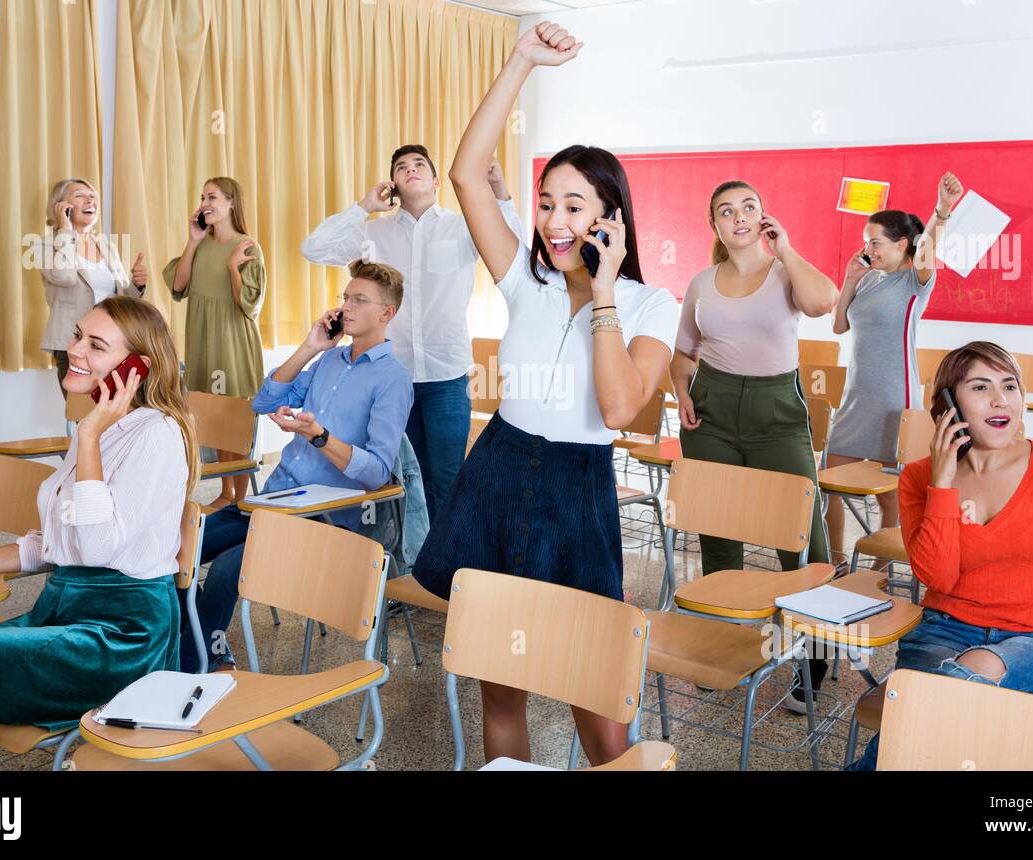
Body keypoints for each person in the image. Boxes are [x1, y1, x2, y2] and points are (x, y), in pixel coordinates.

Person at [411, 22, 679, 768]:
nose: (555, 221)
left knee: (592, 694)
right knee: (501, 687)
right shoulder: (521, 280)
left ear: (609, 217)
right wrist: (520, 60)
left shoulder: (652, 305)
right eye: (547, 202)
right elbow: (467, 173)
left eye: (574, 205)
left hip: (576, 487)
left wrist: (601, 295)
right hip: (500, 468)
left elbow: (622, 408)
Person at [0, 296, 198, 771]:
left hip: (119, 638)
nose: (75, 350)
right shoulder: (105, 427)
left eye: (96, 344)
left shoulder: (155, 434)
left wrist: (87, 438)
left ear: (135, 368)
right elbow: (52, 546)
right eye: (77, 335)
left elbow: (97, 546)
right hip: (61, 617)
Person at [849, 341, 1033, 770]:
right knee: (949, 725)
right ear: (949, 405)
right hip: (942, 634)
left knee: (932, 702)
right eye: (981, 387)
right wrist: (943, 485)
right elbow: (940, 579)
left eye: (1010, 386)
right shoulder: (918, 478)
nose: (1001, 399)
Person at [179, 261, 413, 673]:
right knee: (177, 546)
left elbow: (377, 471)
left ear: (386, 313)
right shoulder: (330, 361)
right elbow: (263, 403)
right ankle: (185, 646)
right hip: (277, 499)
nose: (348, 306)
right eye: (346, 298)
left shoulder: (392, 379)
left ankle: (202, 659)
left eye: (360, 300)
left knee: (227, 570)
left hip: (325, 518)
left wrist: (319, 436)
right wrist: (310, 347)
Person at [668, 178, 838, 711]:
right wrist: (680, 390)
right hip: (712, 411)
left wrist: (784, 247)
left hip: (778, 413)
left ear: (762, 217)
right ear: (714, 224)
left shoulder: (785, 270)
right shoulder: (701, 282)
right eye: (726, 211)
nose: (738, 217)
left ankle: (814, 654)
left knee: (801, 535)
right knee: (719, 533)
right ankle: (726, 647)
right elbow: (682, 352)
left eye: (748, 208)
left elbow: (825, 302)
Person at [303, 147, 522, 522]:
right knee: (401, 477)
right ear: (393, 186)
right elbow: (314, 248)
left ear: (436, 182)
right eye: (401, 167)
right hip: (391, 378)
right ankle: (406, 563)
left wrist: (499, 190)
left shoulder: (462, 226)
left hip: (446, 377)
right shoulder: (373, 233)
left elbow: (514, 248)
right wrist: (364, 205)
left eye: (419, 164)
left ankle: (444, 567)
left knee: (448, 479)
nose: (410, 169)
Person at [824, 172, 964, 562]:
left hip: (893, 400)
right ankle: (834, 560)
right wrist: (851, 278)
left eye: (875, 242)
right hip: (855, 400)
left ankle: (881, 563)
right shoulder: (868, 280)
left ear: (902, 244)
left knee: (890, 495)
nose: (868, 248)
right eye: (865, 241)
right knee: (829, 485)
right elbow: (838, 325)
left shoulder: (914, 282)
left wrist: (943, 208)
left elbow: (929, 246)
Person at [164, 176, 266, 510]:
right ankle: (229, 493)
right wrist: (193, 240)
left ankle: (237, 496)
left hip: (232, 339)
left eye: (213, 197)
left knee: (232, 417)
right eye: (203, 197)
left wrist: (234, 269)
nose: (205, 203)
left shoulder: (247, 246)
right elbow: (179, 286)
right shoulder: (202, 243)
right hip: (202, 336)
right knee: (214, 415)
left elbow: (249, 304)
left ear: (231, 202)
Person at [34, 178, 148, 397]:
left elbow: (124, 299)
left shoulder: (106, 245)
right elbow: (64, 277)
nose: (90, 200)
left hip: (111, 343)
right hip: (74, 343)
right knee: (81, 413)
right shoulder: (43, 245)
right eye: (79, 195)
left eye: (92, 196)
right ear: (61, 207)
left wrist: (138, 284)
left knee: (115, 408)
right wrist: (66, 231)